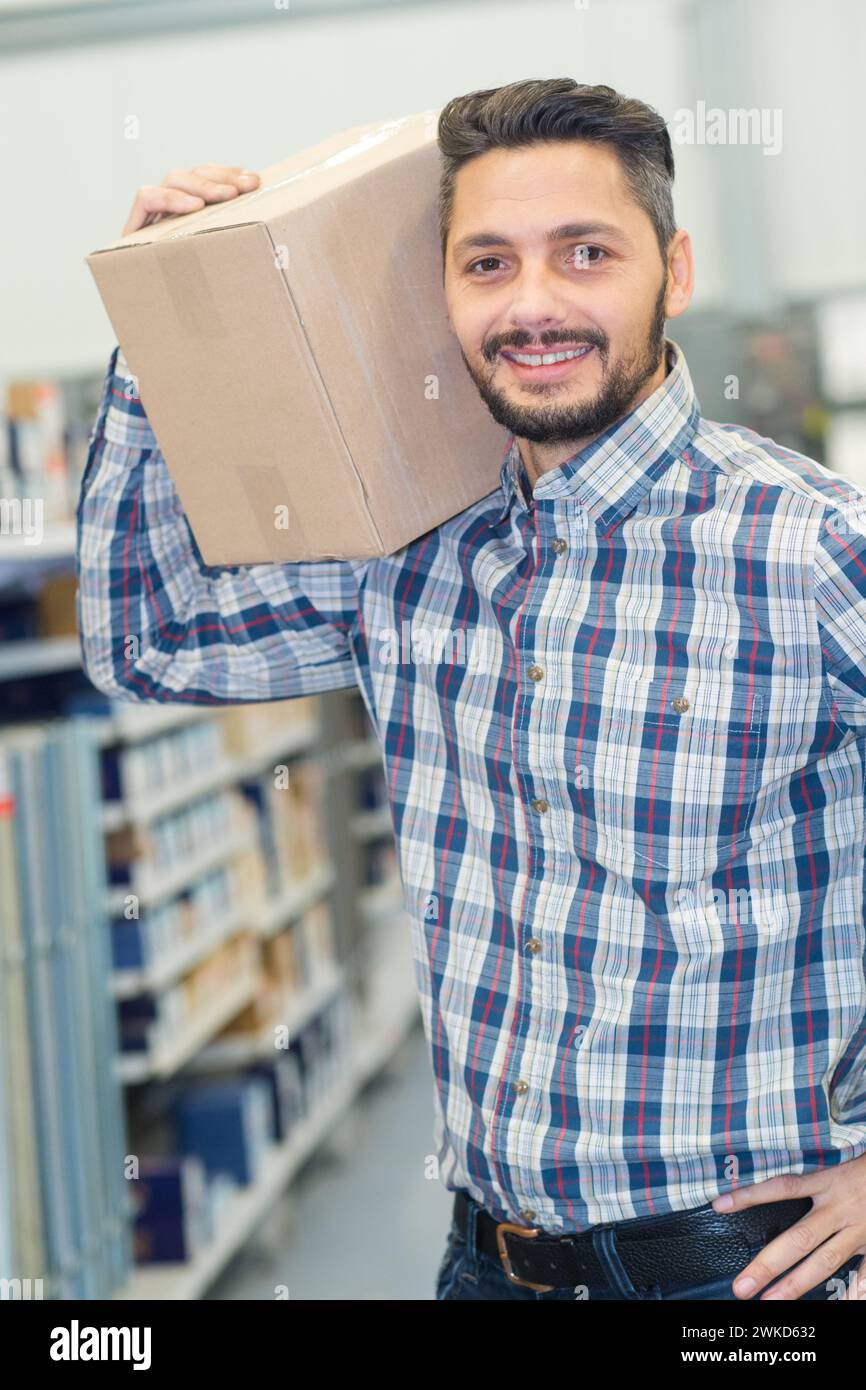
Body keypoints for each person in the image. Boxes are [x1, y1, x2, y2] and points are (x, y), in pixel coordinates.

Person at [77, 77, 866, 1301]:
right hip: (486, 1262)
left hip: (743, 1276)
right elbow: (153, 641)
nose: (534, 304)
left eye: (584, 253)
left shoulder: (812, 553)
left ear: (675, 269)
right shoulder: (409, 559)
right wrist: (159, 337)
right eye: (486, 264)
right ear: (440, 295)